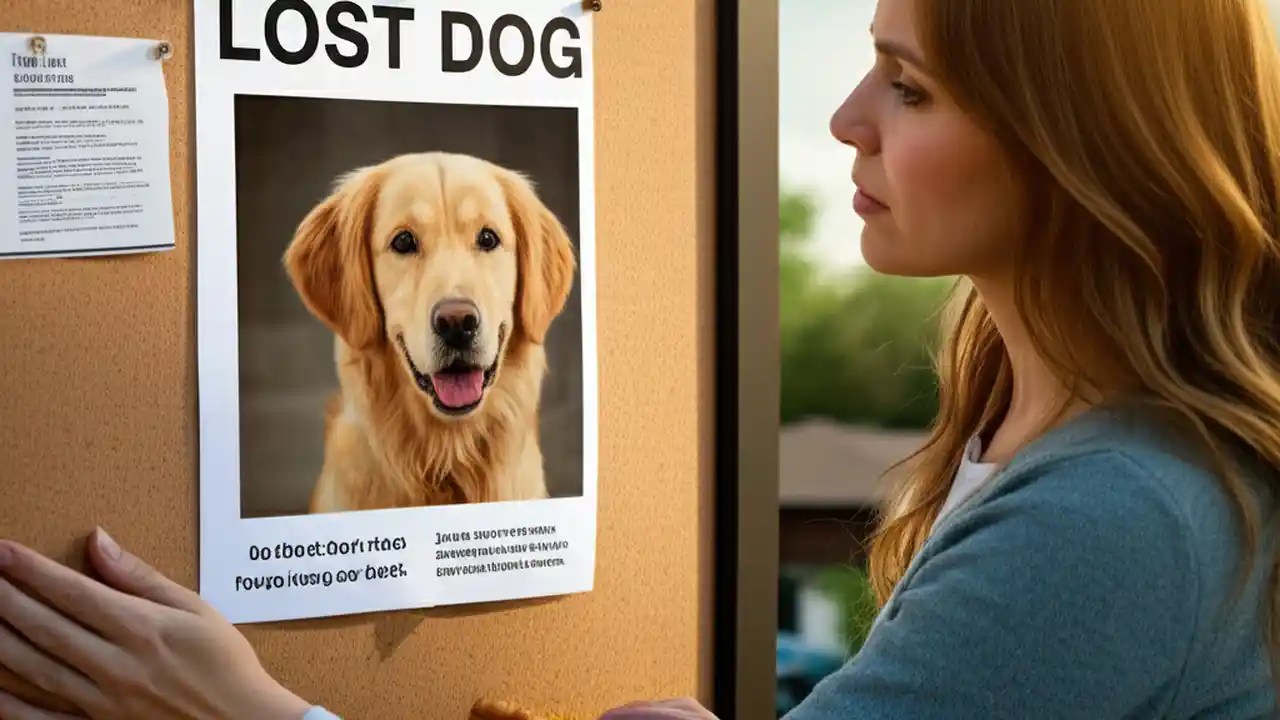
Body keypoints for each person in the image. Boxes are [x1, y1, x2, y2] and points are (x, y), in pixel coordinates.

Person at [3, 0, 1280, 717]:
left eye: (907, 87)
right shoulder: (1025, 428)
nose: (843, 119)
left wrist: (246, 713)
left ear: (1078, 143)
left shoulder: (1121, 511)